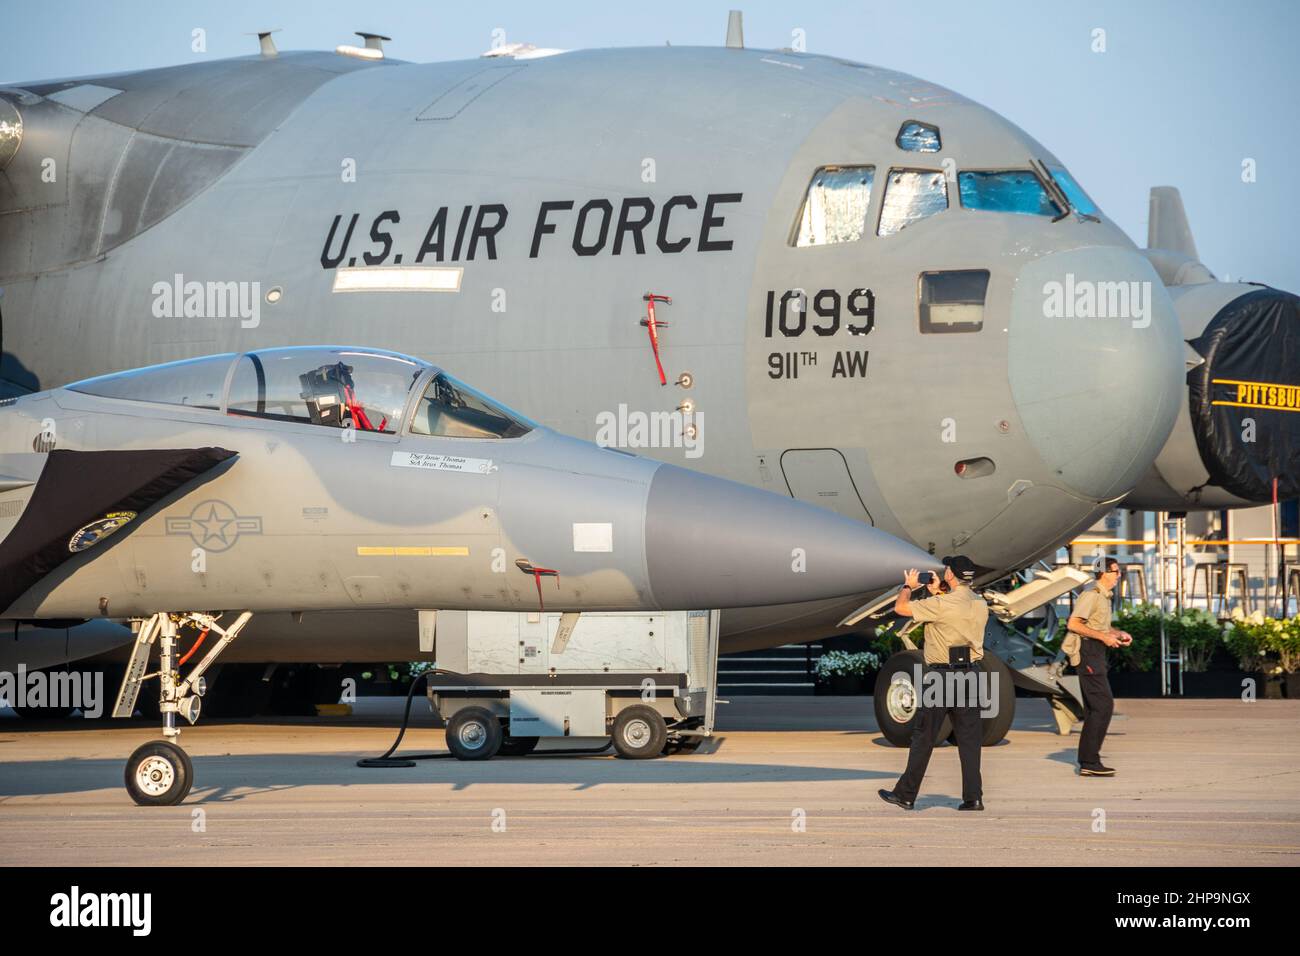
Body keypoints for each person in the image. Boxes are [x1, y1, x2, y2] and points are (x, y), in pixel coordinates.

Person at [878, 555, 989, 811]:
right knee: (970, 739)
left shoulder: (941, 603)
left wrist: (909, 587)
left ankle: (905, 795)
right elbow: (956, 607)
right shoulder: (980, 603)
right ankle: (973, 797)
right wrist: (939, 592)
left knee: (924, 736)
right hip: (970, 675)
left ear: (951, 574)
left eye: (947, 569)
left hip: (942, 676)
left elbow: (901, 609)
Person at [1063, 556, 1131, 776]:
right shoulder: (1090, 595)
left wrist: (1116, 634)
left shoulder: (1103, 597)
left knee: (1097, 707)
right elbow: (1073, 623)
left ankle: (1088, 760)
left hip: (1096, 652)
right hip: (1088, 652)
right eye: (1115, 571)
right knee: (1102, 705)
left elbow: (1099, 626)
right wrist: (1103, 637)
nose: (1118, 575)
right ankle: (1089, 762)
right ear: (1104, 573)